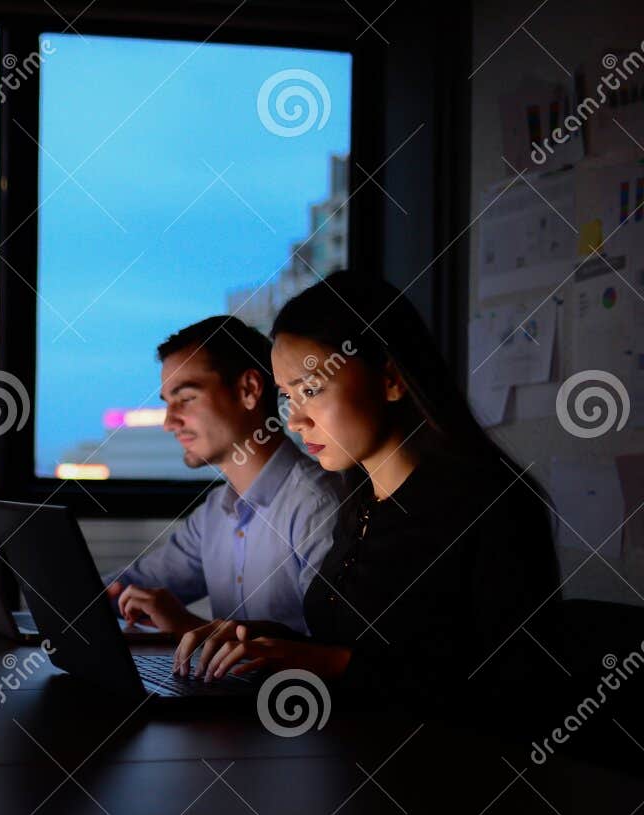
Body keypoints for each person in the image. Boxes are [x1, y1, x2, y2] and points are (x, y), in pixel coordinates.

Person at [171, 271, 561, 710]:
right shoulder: (358, 502)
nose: (294, 420)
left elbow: (522, 695)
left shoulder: (491, 505)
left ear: (390, 379)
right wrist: (260, 638)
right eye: (287, 397)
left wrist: (334, 664)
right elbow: (354, 646)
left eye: (311, 390)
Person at [105, 316, 342, 635]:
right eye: (168, 403)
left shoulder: (316, 505)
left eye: (186, 398)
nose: (169, 422)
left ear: (249, 389)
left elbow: (336, 651)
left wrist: (191, 628)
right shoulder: (215, 513)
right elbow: (124, 589)